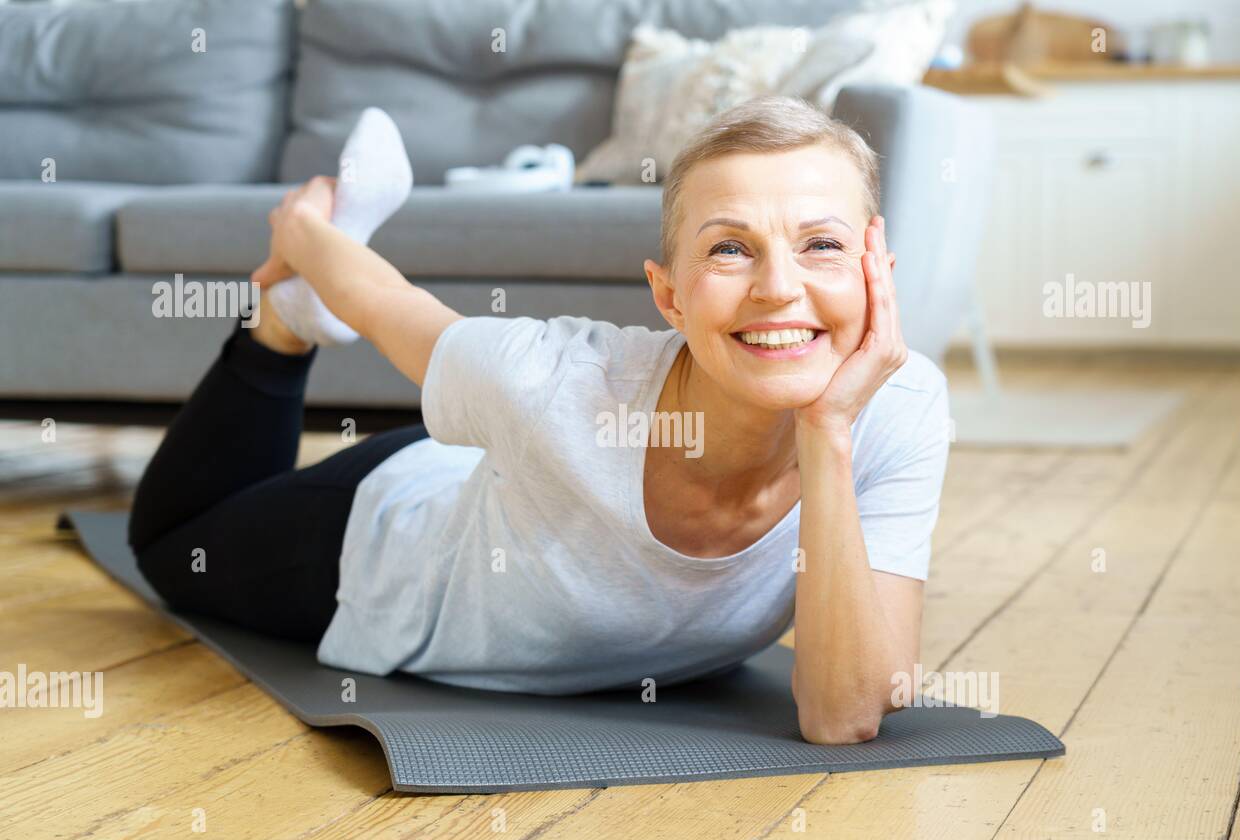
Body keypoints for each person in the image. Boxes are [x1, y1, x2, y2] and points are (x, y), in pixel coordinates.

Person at [128, 96, 950, 745]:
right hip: (395, 531)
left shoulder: (901, 408)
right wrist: (307, 233)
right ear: (667, 294)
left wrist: (828, 432)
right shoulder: (556, 381)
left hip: (517, 480)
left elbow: (842, 714)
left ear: (876, 264)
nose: (777, 287)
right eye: (731, 249)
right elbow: (392, 308)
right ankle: (285, 323)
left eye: (822, 245)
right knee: (172, 546)